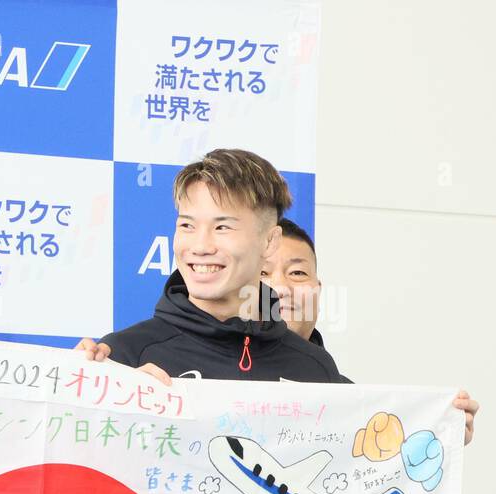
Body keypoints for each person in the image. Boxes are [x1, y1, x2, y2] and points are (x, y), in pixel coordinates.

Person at [79, 148, 346, 383]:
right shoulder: (124, 356)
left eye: (222, 227)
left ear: (269, 241)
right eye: (187, 225)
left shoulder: (315, 370)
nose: (201, 246)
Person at [261, 217, 479, 443]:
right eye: (263, 273)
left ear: (318, 290)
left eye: (297, 273)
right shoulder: (221, 382)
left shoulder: (355, 404)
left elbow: (385, 463)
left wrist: (441, 434)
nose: (280, 288)